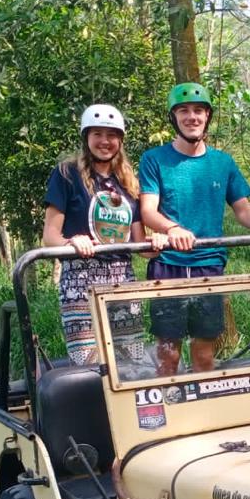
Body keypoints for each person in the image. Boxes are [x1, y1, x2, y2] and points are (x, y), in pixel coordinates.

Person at [138, 82, 250, 375]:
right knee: (168, 356)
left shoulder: (222, 162)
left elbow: (243, 211)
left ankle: (202, 414)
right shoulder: (154, 159)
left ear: (207, 117)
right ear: (174, 117)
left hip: (209, 266)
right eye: (184, 111)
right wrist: (172, 229)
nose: (192, 117)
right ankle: (168, 413)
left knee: (204, 356)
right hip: (169, 265)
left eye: (198, 111)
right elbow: (148, 211)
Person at [43, 103, 164, 367]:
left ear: (120, 140)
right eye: (97, 134)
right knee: (88, 362)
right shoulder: (67, 174)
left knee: (130, 361)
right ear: (86, 137)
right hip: (80, 280)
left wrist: (155, 243)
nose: (105, 141)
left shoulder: (129, 181)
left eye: (111, 135)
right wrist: (70, 241)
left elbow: (139, 244)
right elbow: (50, 236)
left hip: (122, 278)